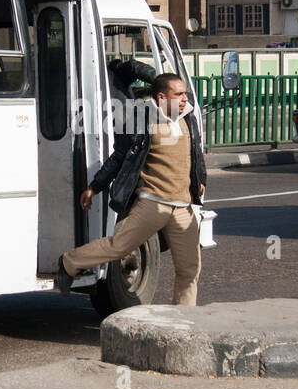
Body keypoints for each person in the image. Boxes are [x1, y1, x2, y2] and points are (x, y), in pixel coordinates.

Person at [55, 73, 206, 305]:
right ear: (161, 97)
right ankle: (69, 262)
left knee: (190, 269)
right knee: (118, 247)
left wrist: (200, 180)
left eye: (185, 93)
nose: (186, 98)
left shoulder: (188, 119)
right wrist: (95, 187)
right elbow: (120, 157)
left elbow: (196, 154)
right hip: (153, 202)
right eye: (179, 94)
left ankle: (183, 323)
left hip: (183, 207)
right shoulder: (141, 121)